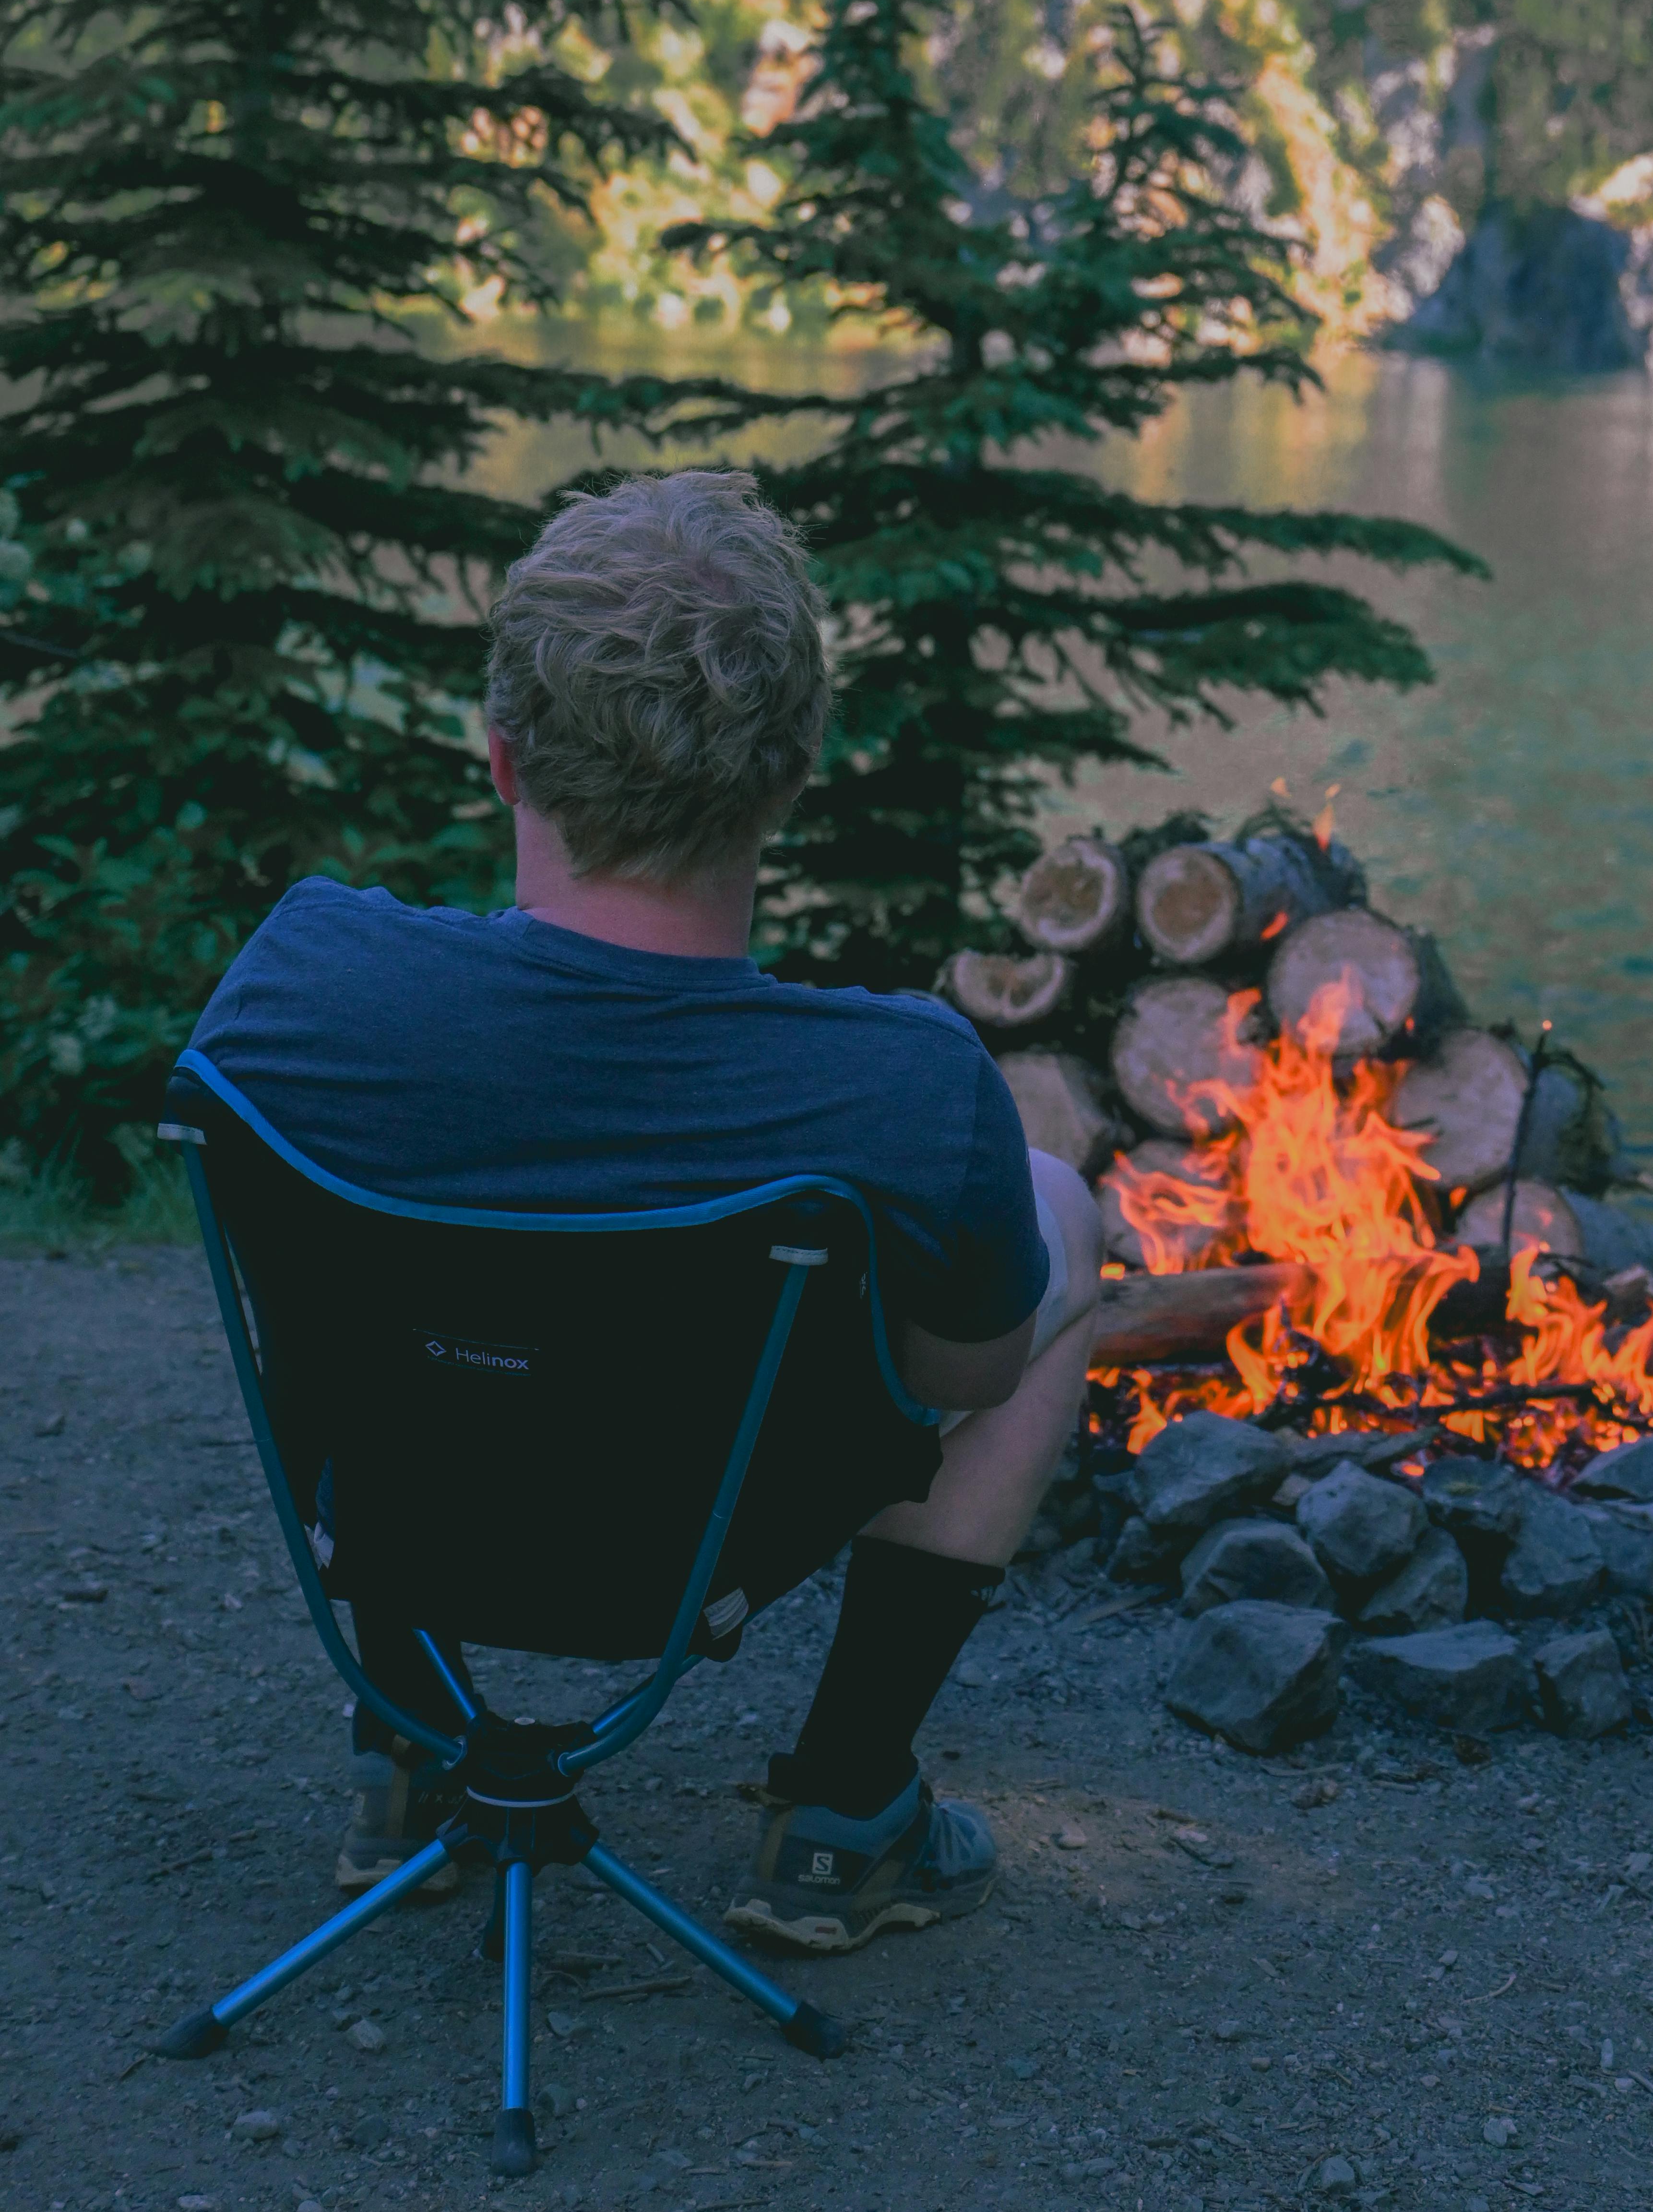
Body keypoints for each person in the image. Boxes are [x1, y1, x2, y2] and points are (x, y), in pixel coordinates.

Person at [181, 467, 1101, 1957]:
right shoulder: (908, 1085)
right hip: (710, 1541)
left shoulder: (304, 985)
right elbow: (960, 1382)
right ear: (794, 775)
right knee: (1057, 1222)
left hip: (409, 1513)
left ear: (500, 759)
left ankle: (406, 1738)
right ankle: (846, 1812)